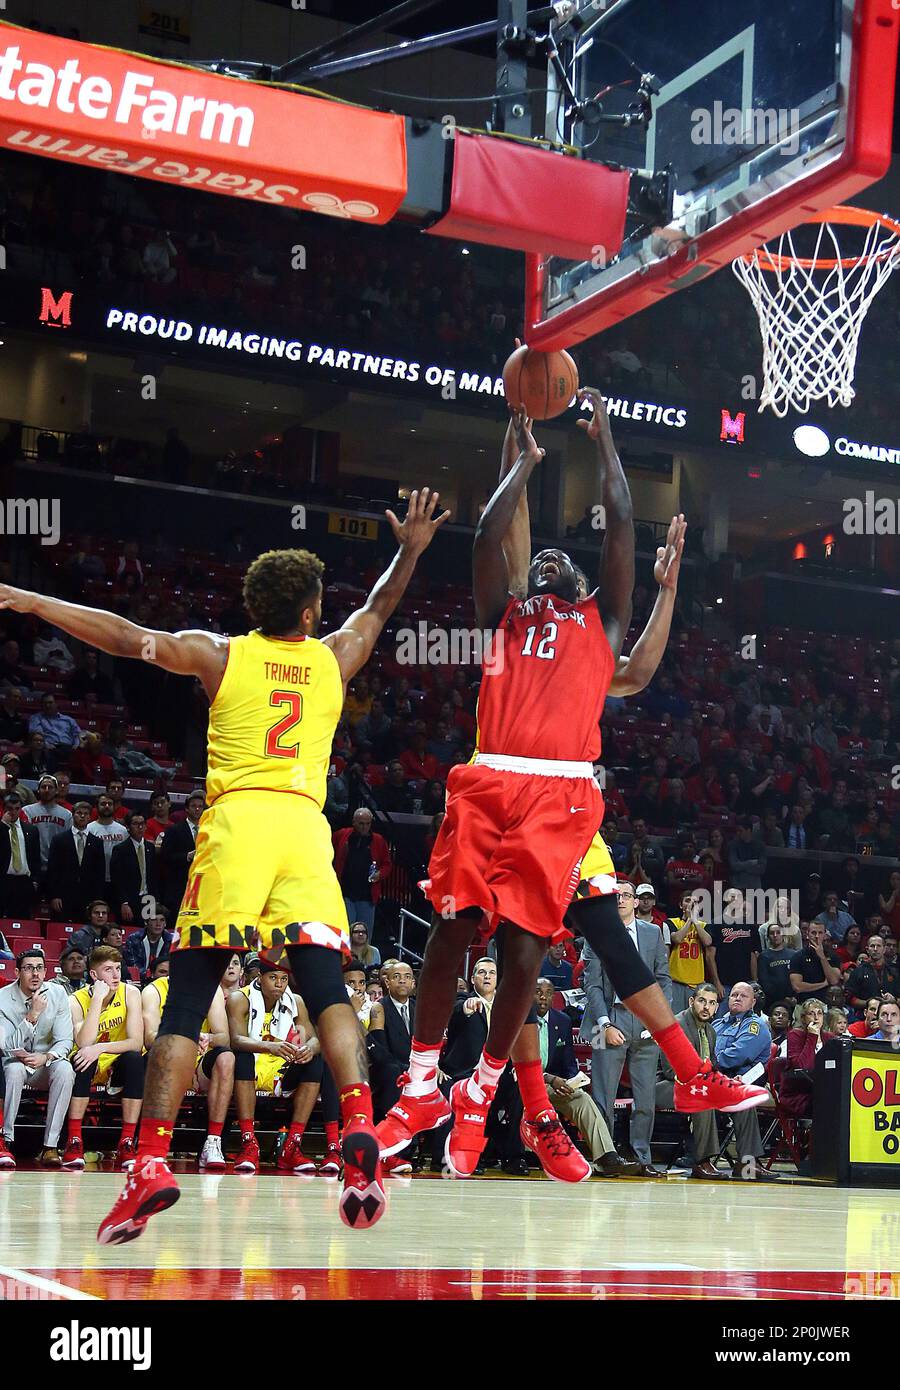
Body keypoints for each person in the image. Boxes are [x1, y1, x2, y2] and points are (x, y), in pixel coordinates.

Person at [0, 490, 448, 1237]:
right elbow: (377, 609)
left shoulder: (221, 653)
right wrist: (411, 547)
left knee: (186, 998)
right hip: (306, 829)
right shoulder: (335, 656)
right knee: (327, 985)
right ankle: (361, 1127)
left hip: (237, 825)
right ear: (309, 614)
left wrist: (32, 600)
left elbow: (123, 635)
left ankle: (148, 1161)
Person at [375, 396, 635, 1182]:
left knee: (525, 952)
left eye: (565, 562)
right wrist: (522, 463)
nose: (550, 561)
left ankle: (485, 1085)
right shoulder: (505, 615)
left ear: (586, 588)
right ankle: (423, 1080)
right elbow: (489, 536)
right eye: (542, 560)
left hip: (558, 796)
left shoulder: (605, 625)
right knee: (453, 930)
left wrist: (608, 443)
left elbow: (622, 527)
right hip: (491, 779)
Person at [581, 881, 672, 1175]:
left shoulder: (653, 933)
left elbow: (663, 979)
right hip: (609, 1017)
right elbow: (592, 984)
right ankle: (603, 1157)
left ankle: (642, 1159)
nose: (620, 899)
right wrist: (605, 1023)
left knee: (645, 1097)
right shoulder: (597, 933)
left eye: (626, 895)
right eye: (615, 895)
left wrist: (656, 1020)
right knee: (602, 1095)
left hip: (644, 1020)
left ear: (636, 902)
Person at [225, 959, 322, 1176]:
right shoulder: (240, 998)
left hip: (281, 1070)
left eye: (284, 979)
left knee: (315, 1061)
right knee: (243, 1057)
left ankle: (293, 1144)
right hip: (252, 1068)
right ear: (260, 977)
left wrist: (308, 1048)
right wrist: (269, 1046)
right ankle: (248, 1143)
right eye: (273, 978)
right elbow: (235, 1040)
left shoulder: (295, 1000)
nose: (279, 984)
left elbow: (315, 1039)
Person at [533, 977, 638, 1176]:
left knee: (581, 1098)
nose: (543, 997)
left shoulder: (561, 1021)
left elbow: (569, 1064)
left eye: (548, 993)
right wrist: (550, 1079)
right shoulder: (519, 1020)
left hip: (553, 1085)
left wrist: (573, 1081)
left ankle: (606, 1157)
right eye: (538, 992)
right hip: (524, 1085)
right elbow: (513, 1065)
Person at [142, 962, 234, 1171]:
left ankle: (213, 1142)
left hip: (201, 1059)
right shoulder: (153, 990)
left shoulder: (212, 989)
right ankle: (156, 1147)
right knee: (161, 1055)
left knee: (226, 1058)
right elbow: (149, 1039)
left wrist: (207, 1038)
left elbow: (224, 1037)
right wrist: (187, 1041)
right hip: (171, 1056)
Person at [62, 945, 144, 1171]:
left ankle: (126, 1141)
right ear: (94, 975)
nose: (116, 974)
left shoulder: (131, 993)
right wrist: (97, 999)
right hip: (88, 1062)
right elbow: (84, 1043)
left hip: (115, 1060)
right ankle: (74, 1139)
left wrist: (100, 1048)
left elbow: (136, 1042)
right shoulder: (75, 1001)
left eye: (118, 968)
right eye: (108, 969)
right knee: (82, 1058)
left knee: (136, 1059)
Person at [0, 948, 75, 1166]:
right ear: (17, 972)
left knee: (65, 1070)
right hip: (15, 1062)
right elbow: (6, 1046)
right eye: (29, 968)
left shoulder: (58, 993)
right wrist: (32, 1015)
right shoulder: (3, 999)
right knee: (13, 1071)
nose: (35, 974)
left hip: (44, 1063)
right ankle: (6, 1140)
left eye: (40, 968)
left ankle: (50, 1147)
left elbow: (65, 1040)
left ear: (45, 971)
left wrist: (47, 1057)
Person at [711, 983, 772, 1178]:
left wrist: (710, 1061)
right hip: (709, 1080)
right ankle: (697, 1157)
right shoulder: (716, 1024)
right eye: (734, 995)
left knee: (743, 1101)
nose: (737, 998)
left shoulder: (756, 1026)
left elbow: (739, 1054)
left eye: (743, 996)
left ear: (753, 1002)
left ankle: (747, 1164)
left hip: (737, 1082)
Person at [366, 961, 418, 1175]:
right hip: (389, 1069)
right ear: (387, 981)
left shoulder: (420, 1008)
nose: (403, 980)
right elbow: (377, 1049)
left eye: (407, 976)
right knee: (390, 1072)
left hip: (415, 1069)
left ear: (414, 983)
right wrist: (404, 1069)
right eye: (397, 976)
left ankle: (435, 1153)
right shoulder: (379, 1007)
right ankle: (390, 1149)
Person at [332, 807, 391, 936]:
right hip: (346, 892)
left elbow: (387, 864)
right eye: (361, 823)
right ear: (354, 822)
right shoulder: (342, 835)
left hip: (367, 895)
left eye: (368, 823)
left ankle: (363, 956)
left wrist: (379, 874)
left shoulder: (378, 841)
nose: (365, 827)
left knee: (364, 934)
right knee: (346, 933)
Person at [46, 801, 105, 922]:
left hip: (87, 898)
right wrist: (54, 896)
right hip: (63, 896)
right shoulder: (59, 840)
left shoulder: (97, 843)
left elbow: (99, 873)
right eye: (79, 813)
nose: (82, 816)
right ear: (73, 815)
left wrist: (97, 901)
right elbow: (52, 870)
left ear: (90, 817)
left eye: (86, 813)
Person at [780, 998, 834, 1118]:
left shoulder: (830, 1038)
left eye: (819, 1013)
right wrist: (812, 1037)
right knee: (828, 1104)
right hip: (799, 1093)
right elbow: (802, 1066)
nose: (816, 1017)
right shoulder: (795, 1035)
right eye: (811, 1013)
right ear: (803, 1018)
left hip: (823, 1091)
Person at [705, 890, 759, 1000]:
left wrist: (754, 982)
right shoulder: (715, 924)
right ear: (725, 899)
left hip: (746, 983)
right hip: (724, 984)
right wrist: (717, 983)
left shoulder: (750, 925)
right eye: (733, 896)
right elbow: (710, 957)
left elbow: (752, 955)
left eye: (739, 897)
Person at [158, 791, 205, 918]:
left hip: (202, 888)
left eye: (200, 806)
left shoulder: (210, 830)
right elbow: (165, 857)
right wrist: (187, 856)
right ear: (186, 809)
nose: (197, 809)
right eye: (193, 806)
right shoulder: (174, 830)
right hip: (179, 888)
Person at [110, 812, 160, 926]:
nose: (140, 827)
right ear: (128, 827)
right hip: (130, 900)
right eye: (136, 824)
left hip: (148, 898)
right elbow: (117, 880)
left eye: (142, 824)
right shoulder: (120, 850)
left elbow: (153, 876)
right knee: (130, 931)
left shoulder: (150, 848)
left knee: (148, 931)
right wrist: (124, 902)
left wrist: (156, 900)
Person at [666, 891, 712, 1012]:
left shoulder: (704, 925)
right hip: (676, 982)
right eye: (687, 900)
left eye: (695, 902)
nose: (691, 904)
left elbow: (707, 941)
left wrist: (695, 921)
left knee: (693, 1020)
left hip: (697, 983)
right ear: (681, 905)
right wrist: (689, 920)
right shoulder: (672, 922)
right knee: (675, 1019)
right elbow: (677, 938)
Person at [0, 791, 41, 917]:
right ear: (4, 808)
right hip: (3, 880)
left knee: (22, 918)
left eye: (17, 808)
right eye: (10, 809)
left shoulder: (31, 830)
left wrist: (34, 881)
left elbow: (35, 858)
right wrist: (3, 825)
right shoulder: (1, 828)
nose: (13, 812)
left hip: (24, 882)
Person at [22, 775, 72, 874]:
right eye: (44, 787)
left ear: (56, 791)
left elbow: (69, 843)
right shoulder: (27, 811)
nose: (47, 790)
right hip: (32, 864)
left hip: (57, 866)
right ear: (38, 790)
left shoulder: (66, 815)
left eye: (50, 787)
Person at [845, 934, 900, 1012]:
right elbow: (850, 999)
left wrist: (893, 1000)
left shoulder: (895, 971)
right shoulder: (858, 972)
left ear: (884, 949)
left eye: (878, 946)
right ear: (867, 950)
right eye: (872, 946)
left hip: (891, 1014)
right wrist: (869, 1003)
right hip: (865, 1015)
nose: (875, 949)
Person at [789, 921, 842, 1000]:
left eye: (820, 933)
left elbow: (834, 981)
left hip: (826, 1003)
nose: (817, 936)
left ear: (824, 935)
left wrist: (822, 957)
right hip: (804, 1003)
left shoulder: (833, 956)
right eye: (813, 933)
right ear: (807, 934)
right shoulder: (798, 957)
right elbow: (797, 987)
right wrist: (823, 984)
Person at [122, 910, 173, 984]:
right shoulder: (133, 939)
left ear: (165, 924)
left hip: (164, 980)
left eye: (162, 920)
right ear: (146, 922)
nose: (158, 924)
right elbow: (132, 965)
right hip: (139, 981)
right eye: (154, 920)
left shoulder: (171, 940)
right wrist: (149, 975)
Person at [756, 923, 796, 1012]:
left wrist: (794, 997)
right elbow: (765, 983)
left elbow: (798, 977)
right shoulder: (764, 956)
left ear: (783, 935)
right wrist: (783, 998)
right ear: (768, 937)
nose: (775, 935)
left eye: (778, 932)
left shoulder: (793, 954)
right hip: (772, 1002)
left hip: (793, 1000)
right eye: (772, 933)